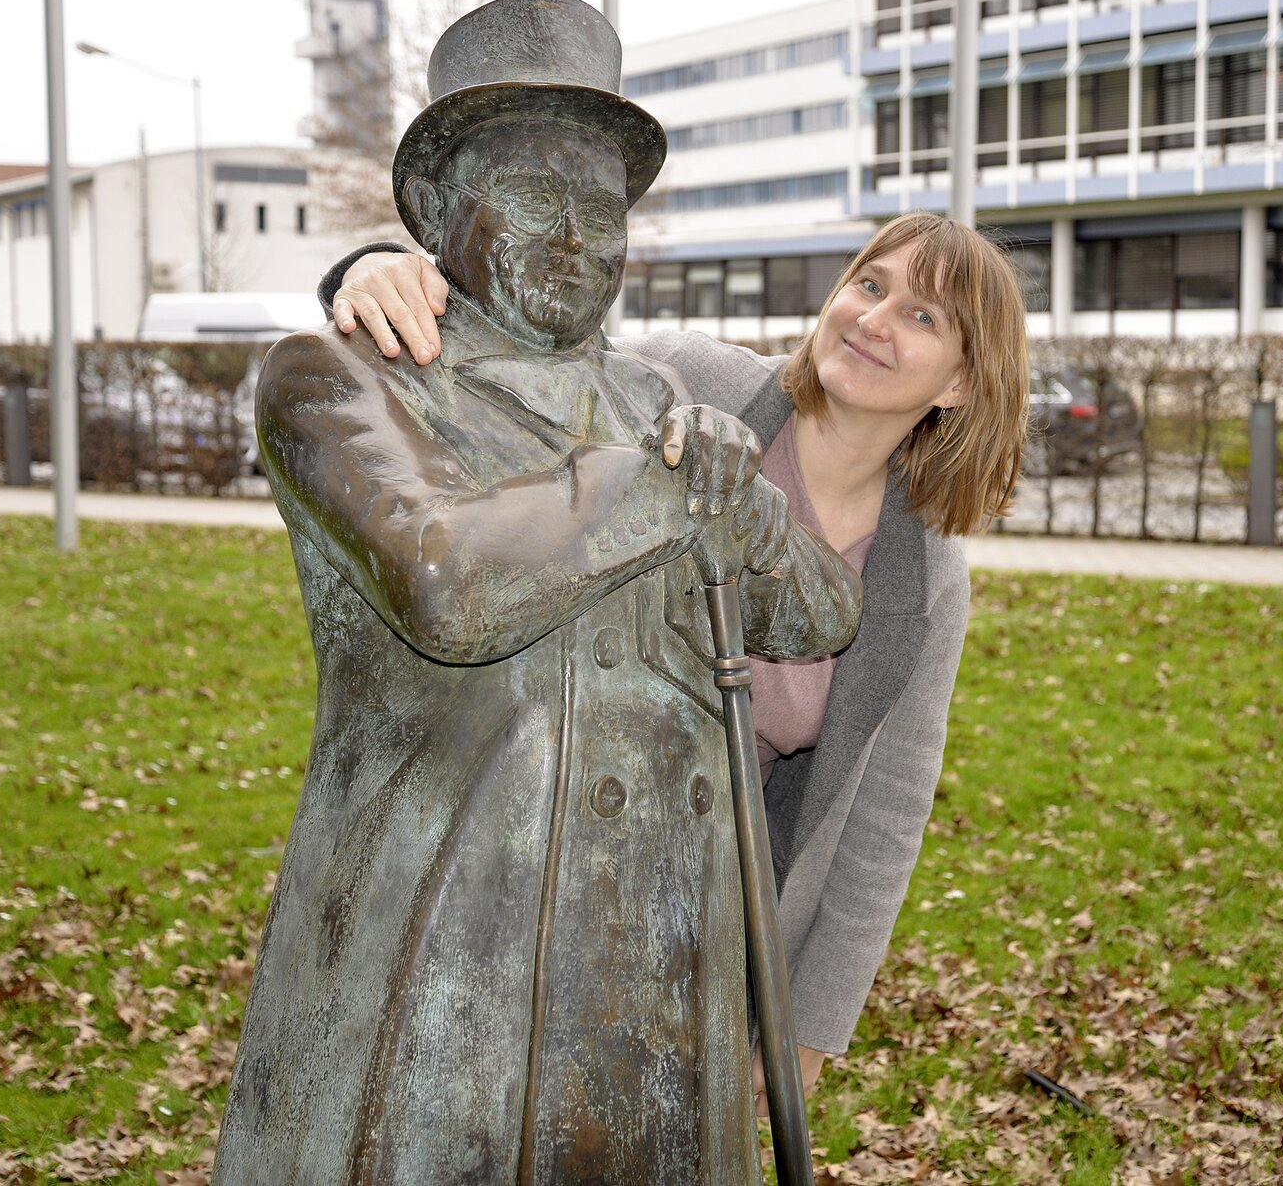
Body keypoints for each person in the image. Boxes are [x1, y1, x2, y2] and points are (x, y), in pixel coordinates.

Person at [216, 0, 863, 1184]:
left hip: (657, 946)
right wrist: (656, 490)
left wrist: (742, 500)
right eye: (532, 197)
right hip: (455, 933)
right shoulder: (339, 378)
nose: (574, 239)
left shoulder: (658, 400)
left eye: (601, 209)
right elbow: (447, 584)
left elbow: (819, 611)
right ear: (435, 211)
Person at [318, 206, 1032, 1107]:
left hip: (700, 915)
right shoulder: (693, 380)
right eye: (870, 283)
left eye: (924, 317)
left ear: (963, 382)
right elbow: (526, 345)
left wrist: (806, 1026)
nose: (875, 319)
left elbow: (885, 813)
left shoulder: (922, 573)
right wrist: (382, 266)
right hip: (523, 841)